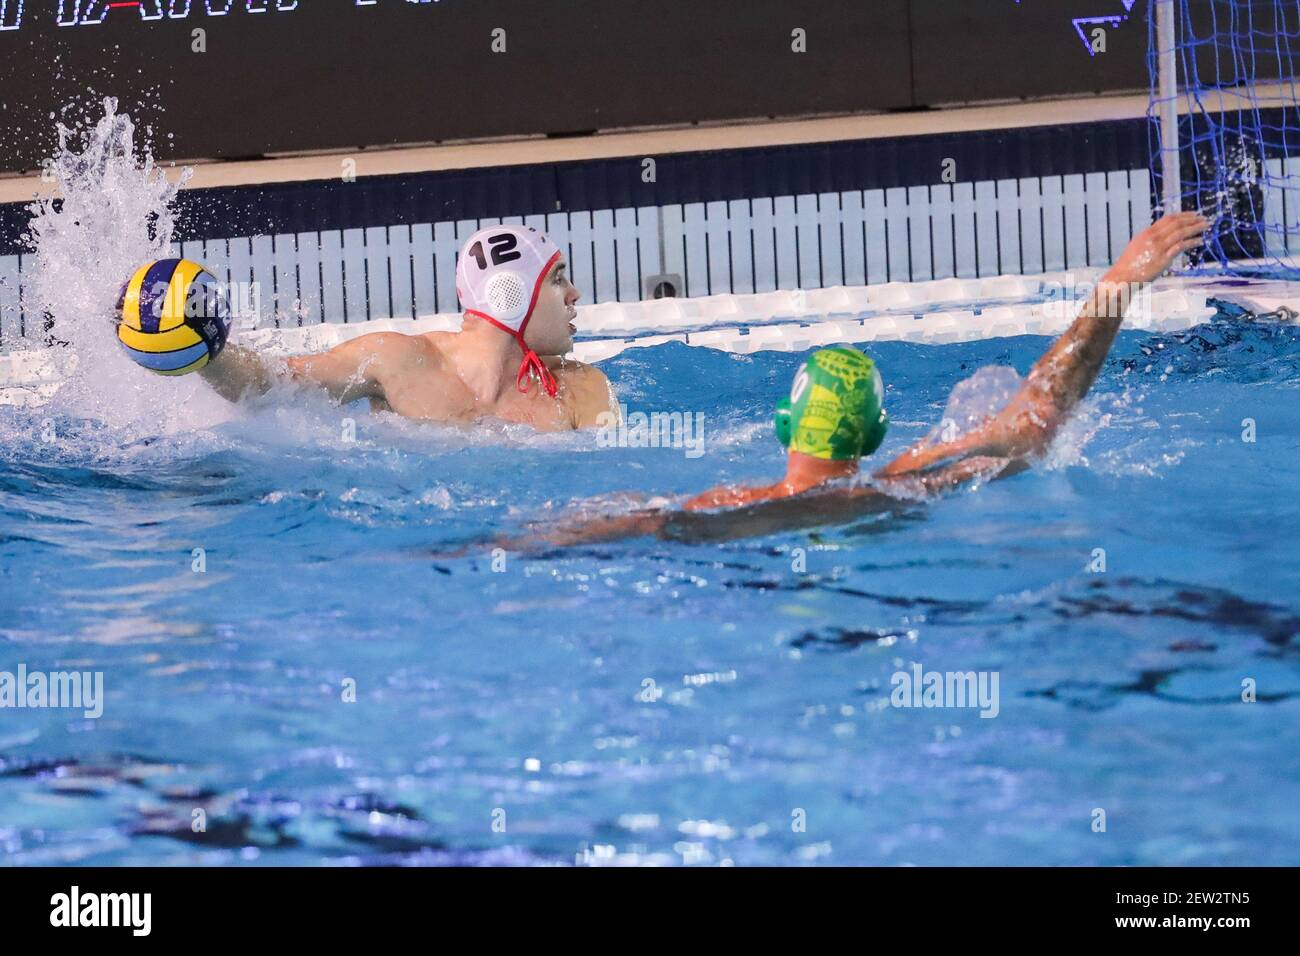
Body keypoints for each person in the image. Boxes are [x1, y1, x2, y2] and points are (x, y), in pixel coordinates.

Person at [508, 211, 1210, 546]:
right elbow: (1038, 417)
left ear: (782, 425)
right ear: (876, 433)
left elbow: (625, 524)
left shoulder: (724, 507)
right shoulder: (905, 486)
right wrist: (1116, 286)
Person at [198, 224, 618, 431]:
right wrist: (202, 344)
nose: (574, 294)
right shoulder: (396, 360)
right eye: (557, 279)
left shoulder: (582, 389)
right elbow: (270, 384)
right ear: (510, 294)